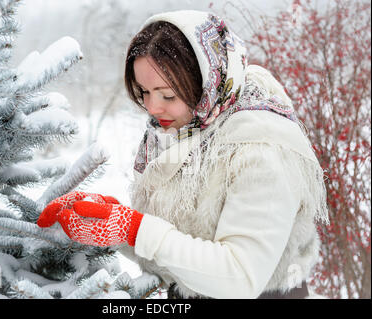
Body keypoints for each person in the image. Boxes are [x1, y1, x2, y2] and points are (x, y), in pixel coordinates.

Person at [37, 10, 329, 299]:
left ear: (205, 80)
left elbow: (240, 277)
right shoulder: (191, 129)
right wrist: (112, 222)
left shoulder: (260, 149)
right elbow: (176, 251)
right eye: (144, 91)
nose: (152, 107)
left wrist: (135, 228)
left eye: (167, 95)